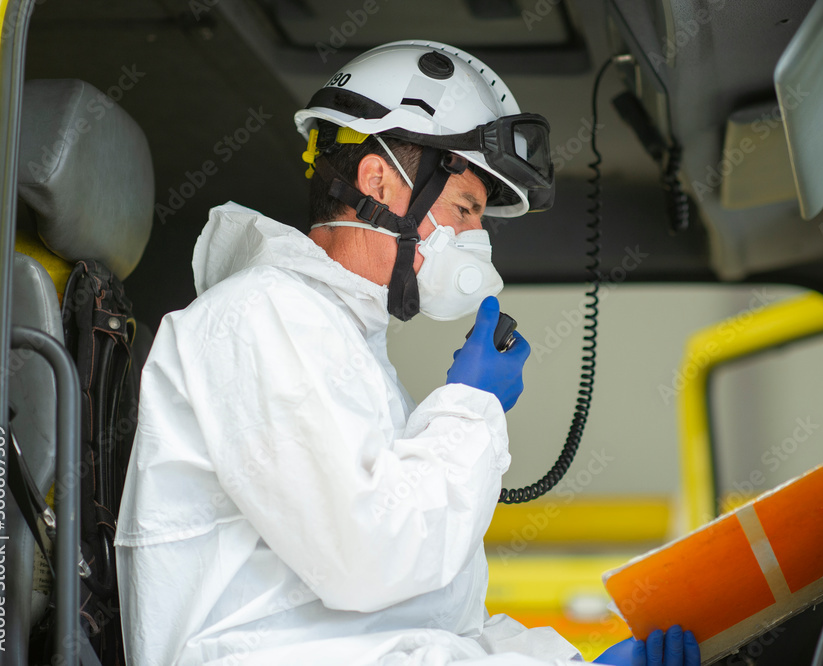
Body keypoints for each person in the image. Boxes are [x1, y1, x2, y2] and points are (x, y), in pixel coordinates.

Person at [114, 40, 699, 665]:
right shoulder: (262, 319)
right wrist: (470, 407)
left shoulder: (338, 343)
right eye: (466, 209)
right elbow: (371, 555)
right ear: (378, 179)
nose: (477, 241)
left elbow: (432, 622)